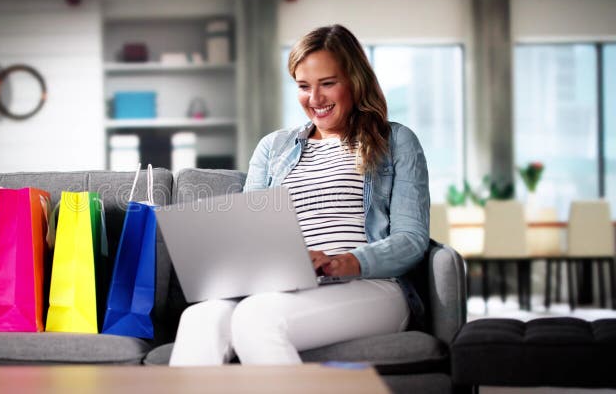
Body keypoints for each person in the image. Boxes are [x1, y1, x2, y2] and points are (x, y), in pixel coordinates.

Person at [169, 24, 430, 366]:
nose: (315, 99)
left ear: (355, 81)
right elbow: (248, 233)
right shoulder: (272, 147)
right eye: (304, 86)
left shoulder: (396, 141)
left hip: (372, 285)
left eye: (328, 83)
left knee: (257, 318)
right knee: (200, 318)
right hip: (284, 287)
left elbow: (411, 239)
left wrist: (345, 262)